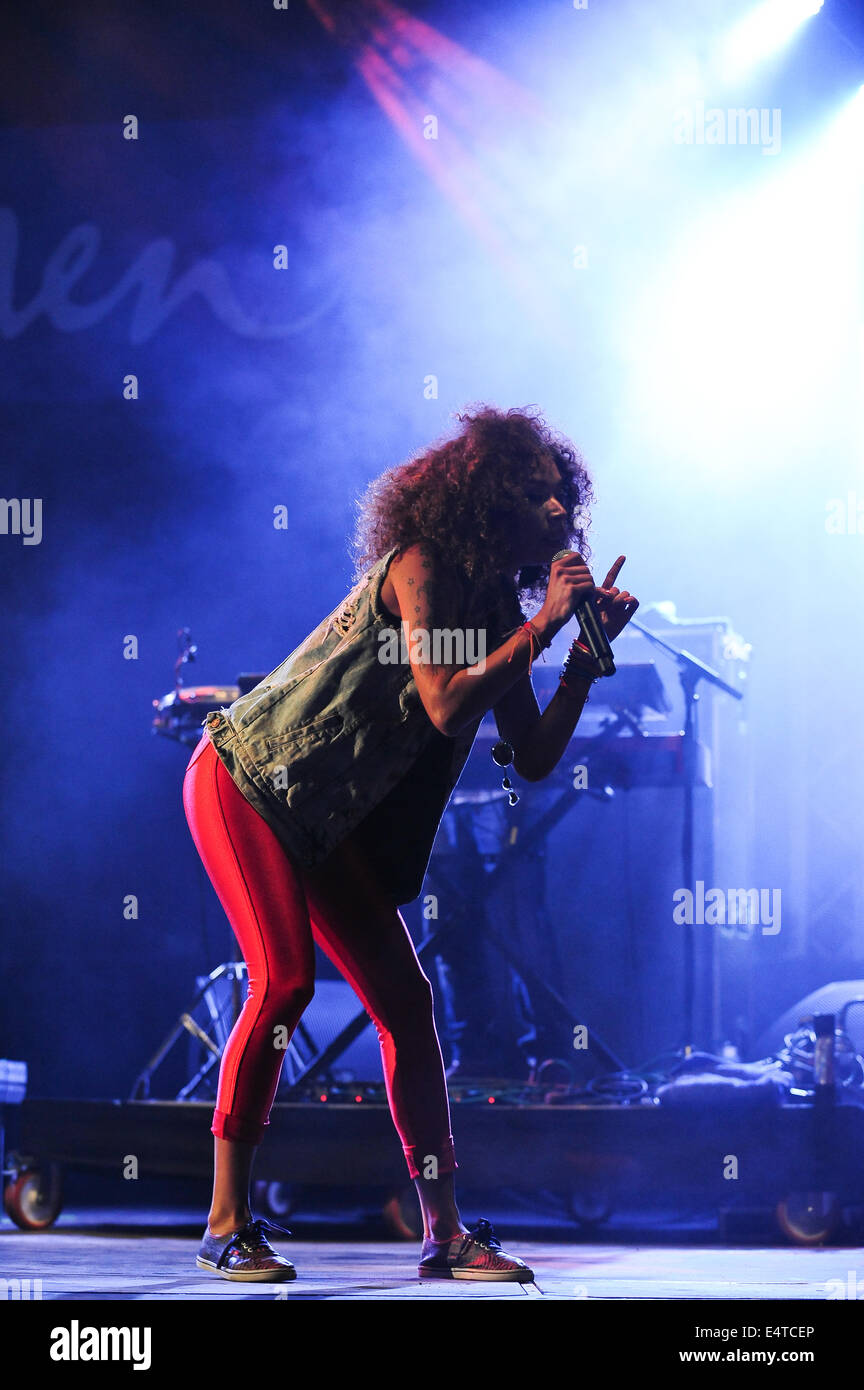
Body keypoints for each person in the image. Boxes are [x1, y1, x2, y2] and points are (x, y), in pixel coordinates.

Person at [182, 404, 638, 1283]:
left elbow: (534, 755)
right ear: (491, 501)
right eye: (538, 496)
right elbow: (443, 701)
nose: (559, 512)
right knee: (283, 982)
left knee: (407, 1002)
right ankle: (225, 1221)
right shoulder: (421, 565)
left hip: (322, 817)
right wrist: (543, 628)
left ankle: (445, 1233)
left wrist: (579, 660)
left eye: (562, 497)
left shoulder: (500, 606)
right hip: (249, 779)